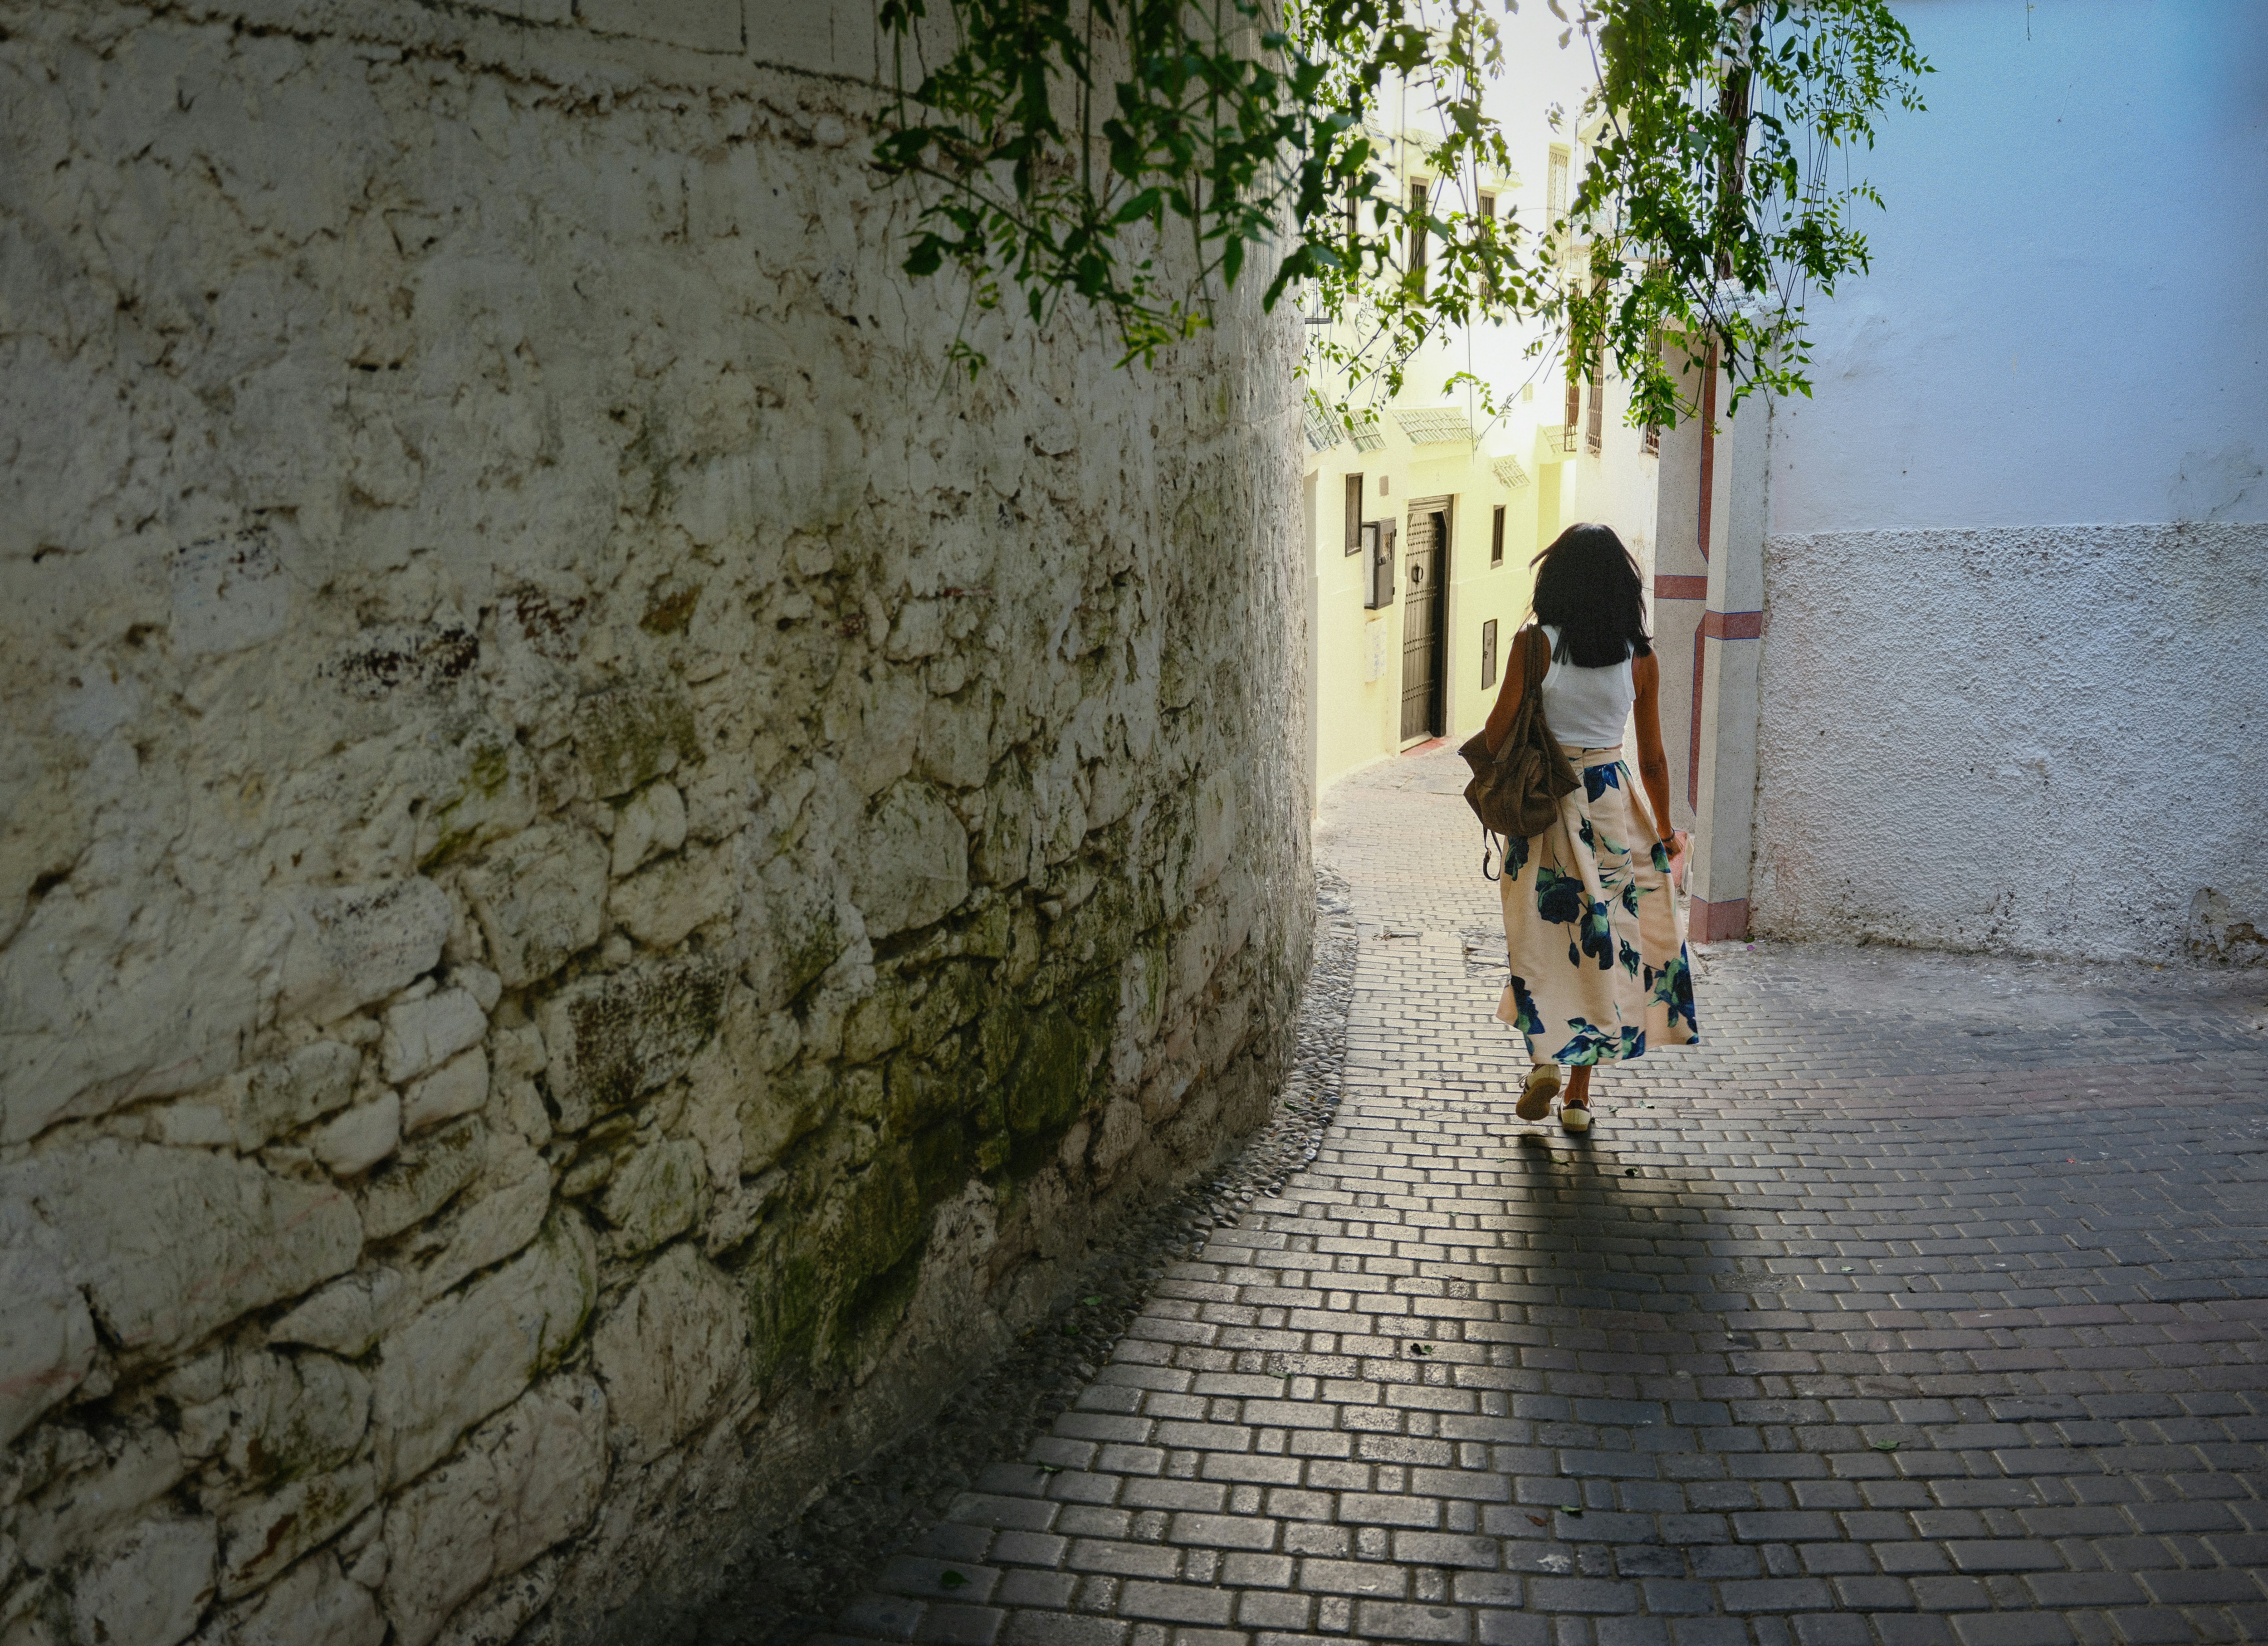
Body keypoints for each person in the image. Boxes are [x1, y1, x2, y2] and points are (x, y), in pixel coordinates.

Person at [1480, 523, 1699, 1131]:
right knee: (1601, 943)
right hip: (1610, 804)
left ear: (1557, 581)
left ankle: (1543, 1063)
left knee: (1541, 937)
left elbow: (1498, 733)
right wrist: (1662, 833)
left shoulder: (1535, 644)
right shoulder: (1640, 657)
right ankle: (1578, 1098)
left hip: (1548, 803)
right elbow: (1653, 758)